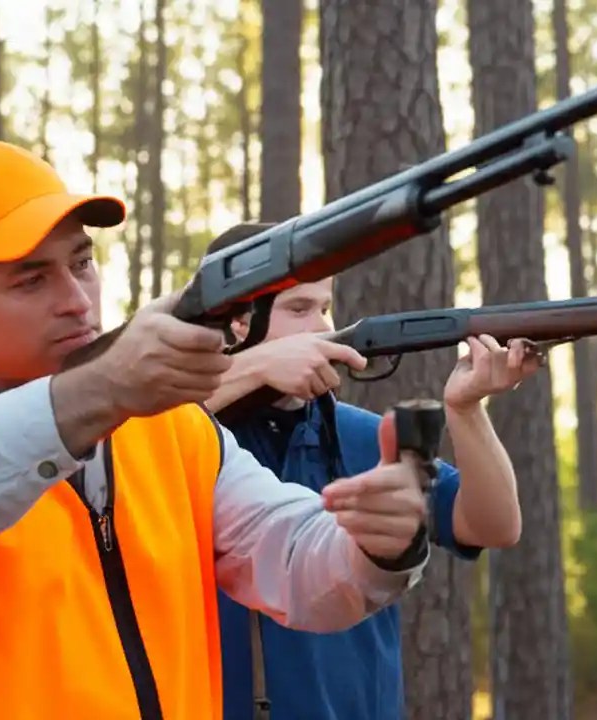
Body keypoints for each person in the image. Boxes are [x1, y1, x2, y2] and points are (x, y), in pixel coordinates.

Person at [0, 140, 437, 720]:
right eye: (31, 279)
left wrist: (379, 546)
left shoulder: (172, 426)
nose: (76, 298)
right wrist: (95, 393)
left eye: (83, 263)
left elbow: (297, 565)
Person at [200, 225, 541, 720]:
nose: (320, 327)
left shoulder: (361, 434)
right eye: (299, 310)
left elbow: (494, 525)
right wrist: (253, 370)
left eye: (324, 308)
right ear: (236, 322)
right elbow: (127, 432)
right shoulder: (184, 436)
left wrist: (466, 410)